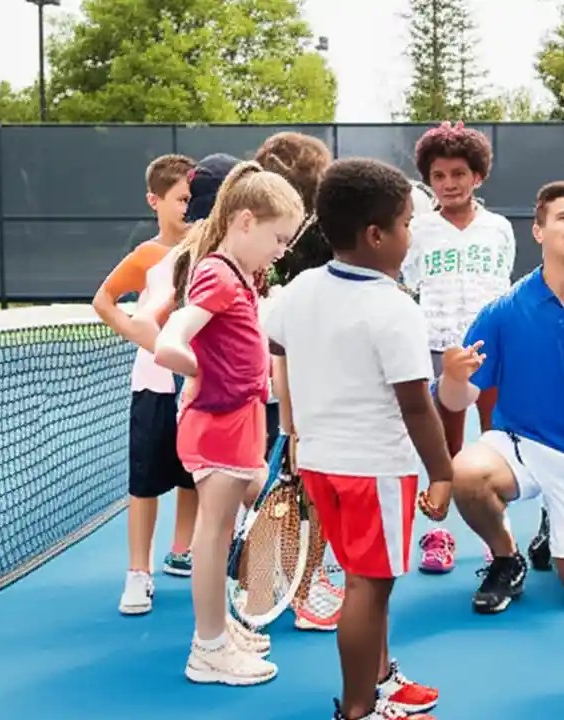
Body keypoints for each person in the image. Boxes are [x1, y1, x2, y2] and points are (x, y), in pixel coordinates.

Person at [265, 157, 450, 720]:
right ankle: (358, 708)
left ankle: (380, 679)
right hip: (376, 472)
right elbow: (417, 405)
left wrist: (293, 430)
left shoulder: (297, 290)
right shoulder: (394, 310)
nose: (409, 235)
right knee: (370, 589)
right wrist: (442, 472)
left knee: (363, 580)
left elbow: (279, 351)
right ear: (376, 236)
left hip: (323, 466)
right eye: (404, 225)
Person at [435, 180, 564, 613]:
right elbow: (457, 402)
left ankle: (559, 523)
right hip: (519, 445)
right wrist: (452, 378)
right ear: (538, 231)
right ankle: (506, 556)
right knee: (466, 474)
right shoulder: (503, 310)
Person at [153, 161, 304, 686]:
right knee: (212, 539)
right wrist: (192, 366)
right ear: (244, 222)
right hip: (216, 425)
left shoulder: (242, 275)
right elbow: (173, 334)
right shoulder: (218, 273)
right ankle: (209, 648)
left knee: (220, 533)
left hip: (240, 422)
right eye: (278, 237)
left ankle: (219, 630)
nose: (282, 250)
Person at [398, 122, 521, 576]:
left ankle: (497, 535)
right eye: (438, 176)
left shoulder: (499, 228)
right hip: (437, 350)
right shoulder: (419, 230)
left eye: (458, 174)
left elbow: (502, 283)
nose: (449, 184)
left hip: (492, 352)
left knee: (496, 444)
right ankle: (438, 535)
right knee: (443, 451)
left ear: (478, 176)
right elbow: (409, 282)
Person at [91, 153, 199, 615]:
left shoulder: (211, 249)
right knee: (145, 482)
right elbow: (104, 299)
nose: (188, 207)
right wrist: (140, 332)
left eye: (193, 199)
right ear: (154, 200)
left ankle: (183, 550)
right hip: (154, 385)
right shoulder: (145, 256)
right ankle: (138, 573)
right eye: (180, 199)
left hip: (198, 383)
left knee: (195, 473)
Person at [253, 130, 347, 632]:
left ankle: (272, 586)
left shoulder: (251, 235)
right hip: (290, 390)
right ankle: (299, 588)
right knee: (297, 495)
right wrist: (293, 418)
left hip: (266, 386)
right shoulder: (314, 245)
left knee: (276, 494)